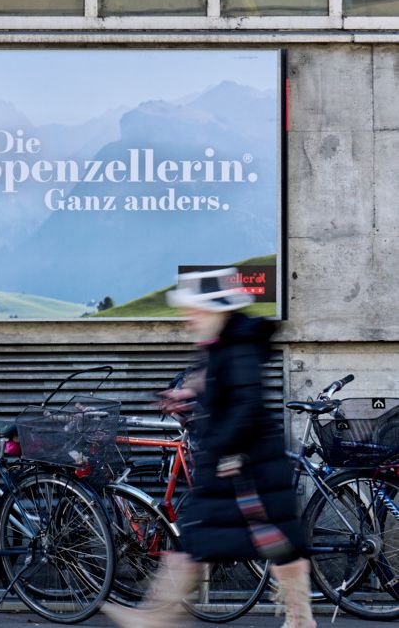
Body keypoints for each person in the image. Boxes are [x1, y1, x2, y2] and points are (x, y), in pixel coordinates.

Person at [104, 268, 313, 628]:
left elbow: (246, 405)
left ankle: (160, 614)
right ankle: (298, 619)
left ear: (215, 310)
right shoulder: (222, 343)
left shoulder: (237, 348)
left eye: (194, 310)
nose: (188, 319)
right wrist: (189, 394)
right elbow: (222, 387)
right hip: (239, 462)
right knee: (248, 538)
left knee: (235, 537)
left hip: (243, 466)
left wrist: (221, 450)